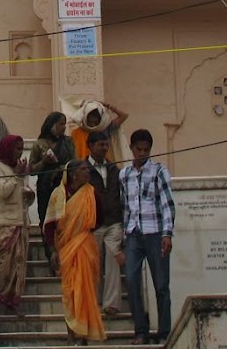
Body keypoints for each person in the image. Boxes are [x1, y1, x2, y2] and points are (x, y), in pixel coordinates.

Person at [119, 128, 175, 345]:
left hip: (155, 233)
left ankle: (164, 332)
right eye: (138, 149)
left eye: (146, 150)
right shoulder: (125, 174)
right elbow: (125, 207)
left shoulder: (159, 171)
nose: (142, 153)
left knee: (161, 285)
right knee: (132, 281)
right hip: (133, 234)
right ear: (131, 148)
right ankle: (141, 331)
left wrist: (167, 233)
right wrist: (124, 237)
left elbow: (167, 204)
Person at [57, 161, 105, 345]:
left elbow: (100, 218)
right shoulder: (61, 194)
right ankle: (71, 334)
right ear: (73, 174)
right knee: (70, 291)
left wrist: (83, 231)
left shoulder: (92, 193)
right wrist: (53, 249)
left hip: (86, 245)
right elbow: (52, 222)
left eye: (87, 168)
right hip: (67, 248)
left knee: (85, 291)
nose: (87, 172)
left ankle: (84, 335)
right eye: (82, 169)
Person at [0, 133, 31, 312]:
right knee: (2, 265)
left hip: (21, 222)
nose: (20, 152)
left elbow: (24, 194)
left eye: (21, 149)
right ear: (8, 149)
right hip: (5, 222)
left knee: (19, 265)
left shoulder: (20, 168)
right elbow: (3, 192)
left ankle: (13, 301)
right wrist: (16, 175)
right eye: (17, 148)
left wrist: (29, 195)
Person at [85, 129, 125, 316]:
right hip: (92, 224)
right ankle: (93, 302)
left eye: (106, 145)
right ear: (90, 146)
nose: (104, 148)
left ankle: (111, 303)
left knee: (113, 260)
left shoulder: (114, 169)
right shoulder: (82, 169)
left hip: (114, 222)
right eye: (101, 145)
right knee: (94, 264)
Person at [29, 111, 75, 227]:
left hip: (64, 186)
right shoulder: (39, 144)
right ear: (52, 124)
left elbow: (74, 163)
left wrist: (61, 169)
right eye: (61, 124)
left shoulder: (68, 142)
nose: (64, 127)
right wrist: (43, 162)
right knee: (46, 220)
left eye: (65, 124)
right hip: (45, 188)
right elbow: (31, 170)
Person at [40, 158, 67, 277]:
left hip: (83, 243)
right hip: (62, 242)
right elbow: (49, 225)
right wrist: (52, 250)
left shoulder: (88, 193)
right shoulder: (57, 194)